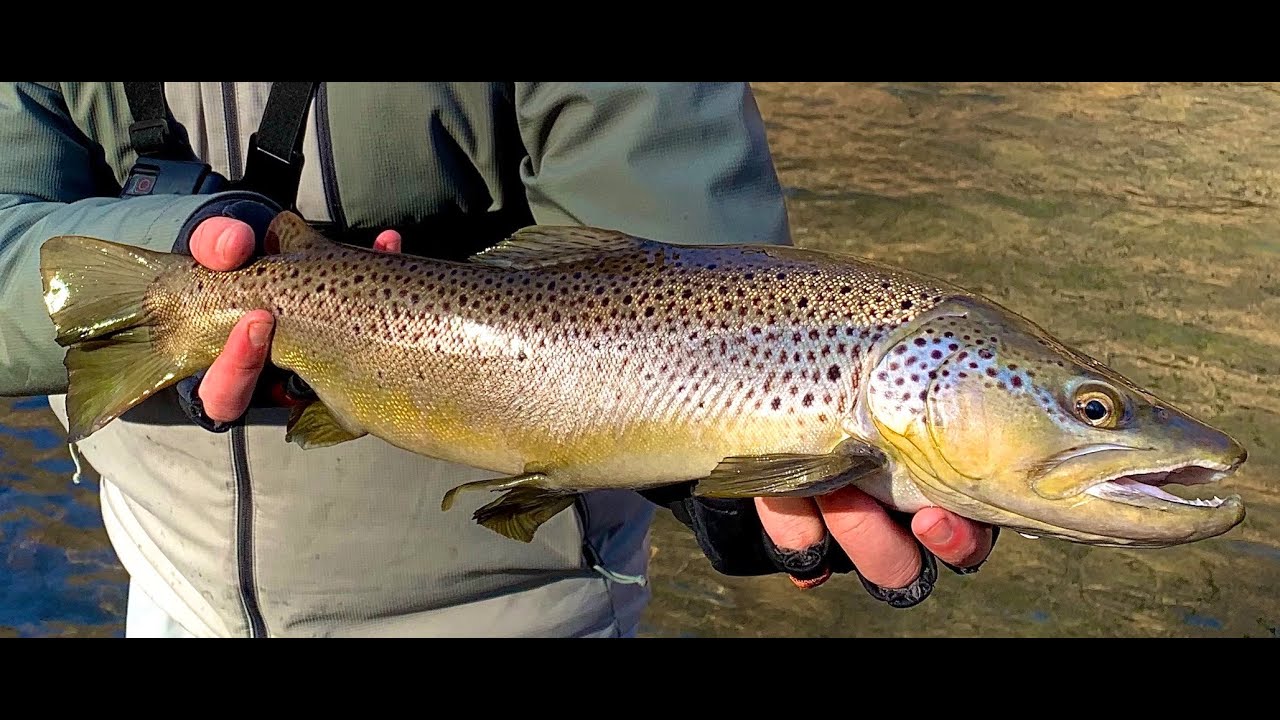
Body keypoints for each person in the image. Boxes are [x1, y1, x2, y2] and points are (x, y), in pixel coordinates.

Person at [0, 82, 996, 638]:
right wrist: (190, 253)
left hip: (517, 609)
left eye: (1075, 405)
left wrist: (719, 483)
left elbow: (687, 260)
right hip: (170, 592)